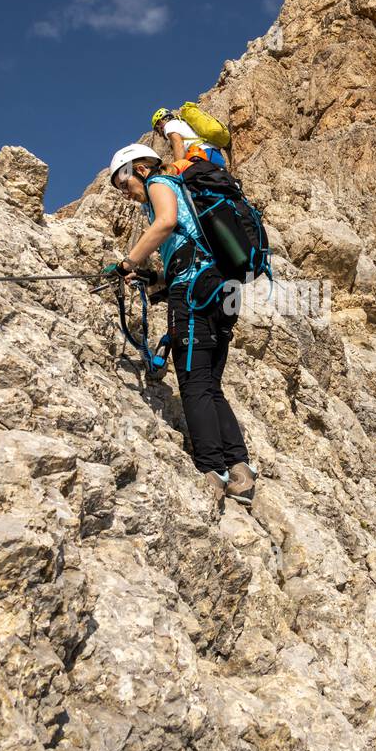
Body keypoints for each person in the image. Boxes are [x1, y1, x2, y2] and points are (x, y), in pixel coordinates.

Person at [107, 142, 257, 507]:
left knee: (192, 381)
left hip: (194, 292)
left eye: (123, 184)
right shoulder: (183, 192)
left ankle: (212, 471)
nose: (126, 195)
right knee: (210, 384)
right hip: (220, 289)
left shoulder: (161, 182)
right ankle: (241, 471)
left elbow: (166, 222)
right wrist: (151, 276)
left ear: (139, 168)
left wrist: (128, 262)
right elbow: (185, 253)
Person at [152, 104, 229, 171]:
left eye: (157, 129)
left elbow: (178, 145)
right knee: (222, 182)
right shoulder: (183, 122)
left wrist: (177, 168)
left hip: (200, 155)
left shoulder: (168, 126)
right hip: (215, 153)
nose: (159, 133)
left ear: (159, 122)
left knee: (204, 184)